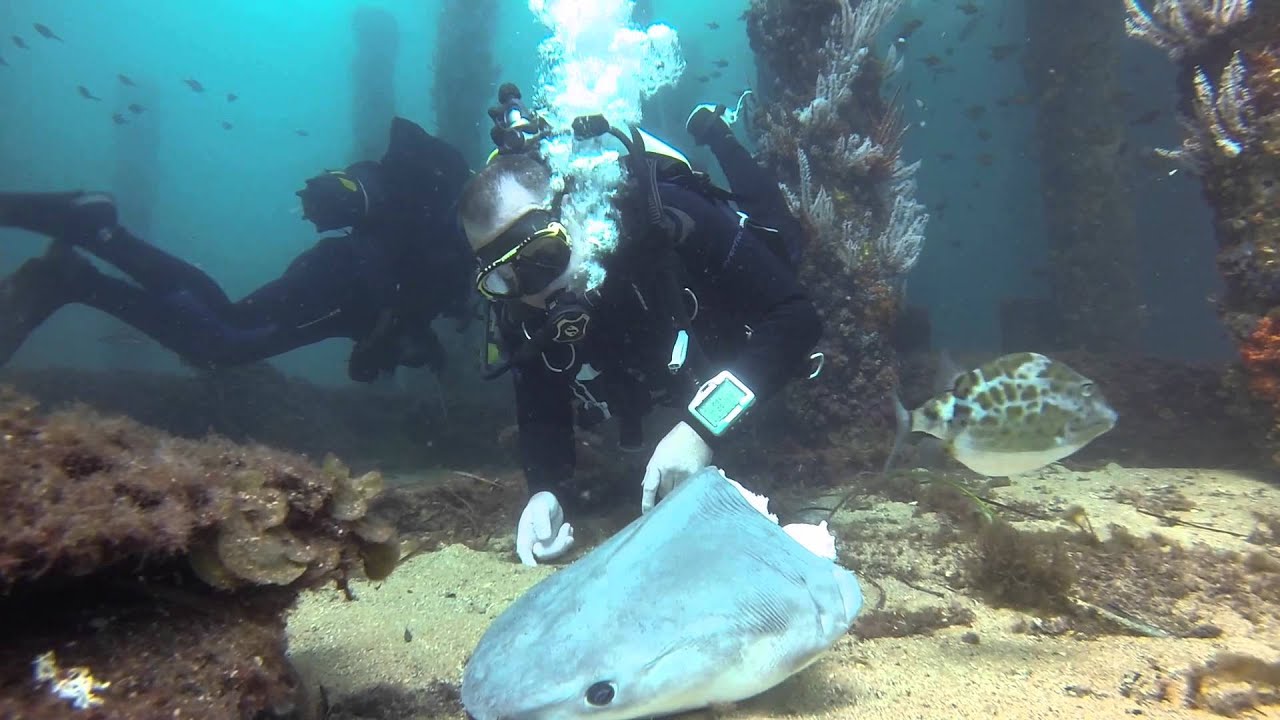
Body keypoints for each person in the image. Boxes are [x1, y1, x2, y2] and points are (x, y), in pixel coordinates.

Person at [460, 86, 823, 566]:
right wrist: (544, 490)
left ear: (574, 213)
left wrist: (701, 428)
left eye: (544, 256)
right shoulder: (521, 310)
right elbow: (541, 407)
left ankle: (718, 133)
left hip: (722, 315)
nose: (534, 292)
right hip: (666, 359)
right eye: (503, 278)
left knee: (783, 239)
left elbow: (797, 318)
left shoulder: (668, 216)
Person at [0, 117, 475, 382]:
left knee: (225, 337)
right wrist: (391, 329)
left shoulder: (450, 244)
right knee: (227, 335)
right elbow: (402, 283)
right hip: (345, 279)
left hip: (345, 279)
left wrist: (401, 339)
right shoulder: (463, 242)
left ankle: (81, 272)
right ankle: (97, 243)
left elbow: (409, 292)